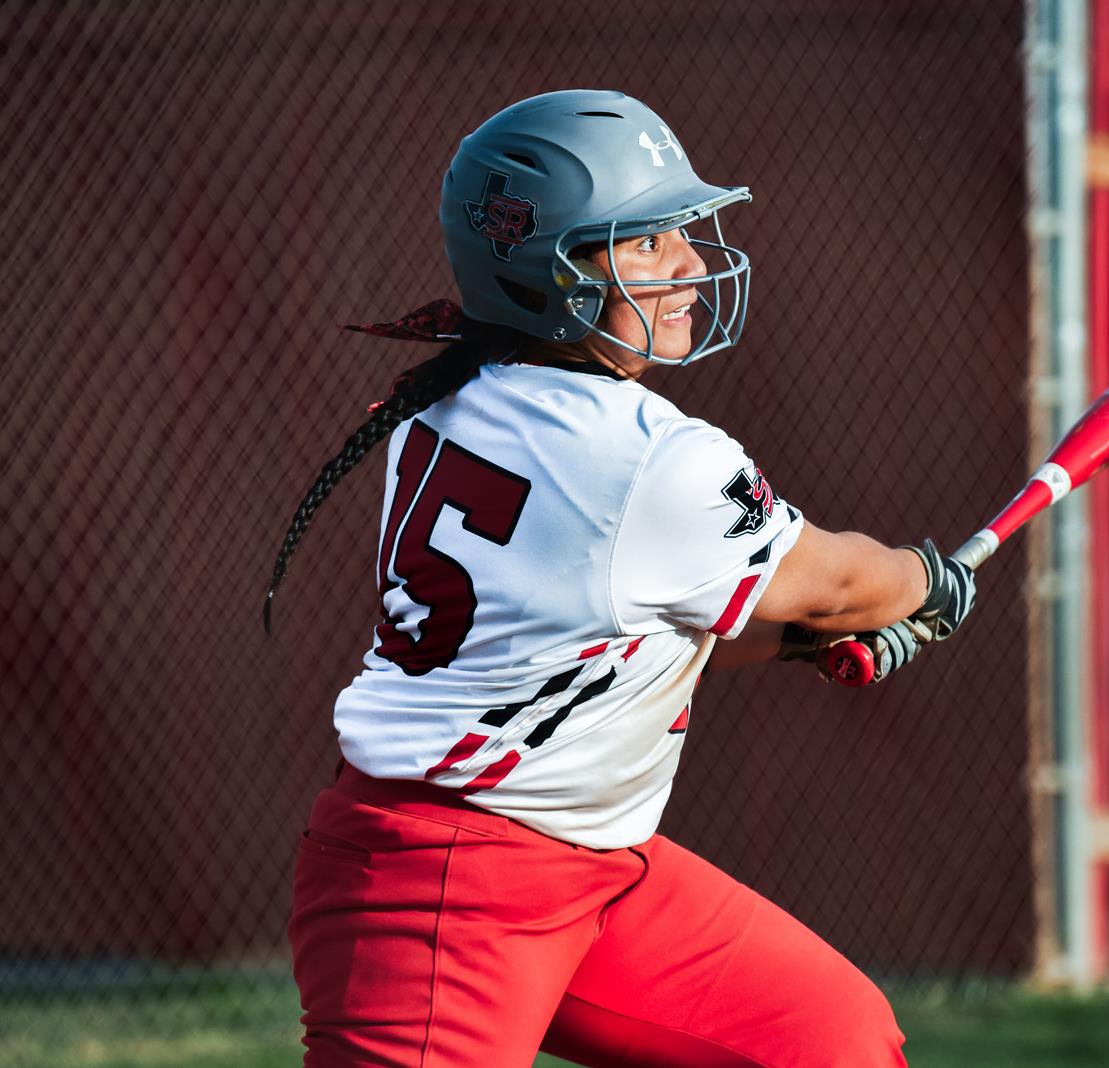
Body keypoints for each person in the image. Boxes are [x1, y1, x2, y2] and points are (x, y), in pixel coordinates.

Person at [263, 90, 976, 1067]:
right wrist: (924, 580)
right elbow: (834, 581)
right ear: (542, 273)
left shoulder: (455, 395)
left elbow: (617, 622)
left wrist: (799, 637)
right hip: (441, 879)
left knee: (829, 1042)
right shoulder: (646, 453)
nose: (688, 265)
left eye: (682, 230)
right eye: (643, 243)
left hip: (588, 867)